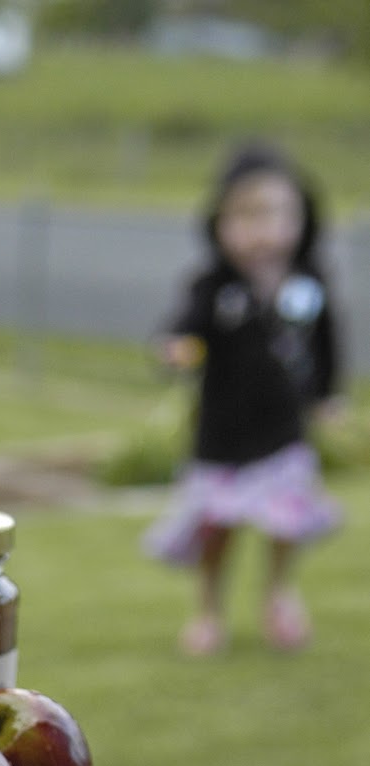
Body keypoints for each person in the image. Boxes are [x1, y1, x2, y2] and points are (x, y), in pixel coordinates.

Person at [143, 142, 343, 656]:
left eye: (276, 213)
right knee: (218, 528)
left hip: (283, 433)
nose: (262, 230)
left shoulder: (308, 284)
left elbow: (327, 344)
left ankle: (279, 594)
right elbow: (184, 329)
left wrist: (326, 396)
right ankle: (209, 609)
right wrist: (176, 349)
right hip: (222, 437)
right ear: (220, 222)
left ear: (302, 217)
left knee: (286, 522)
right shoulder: (213, 287)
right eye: (247, 215)